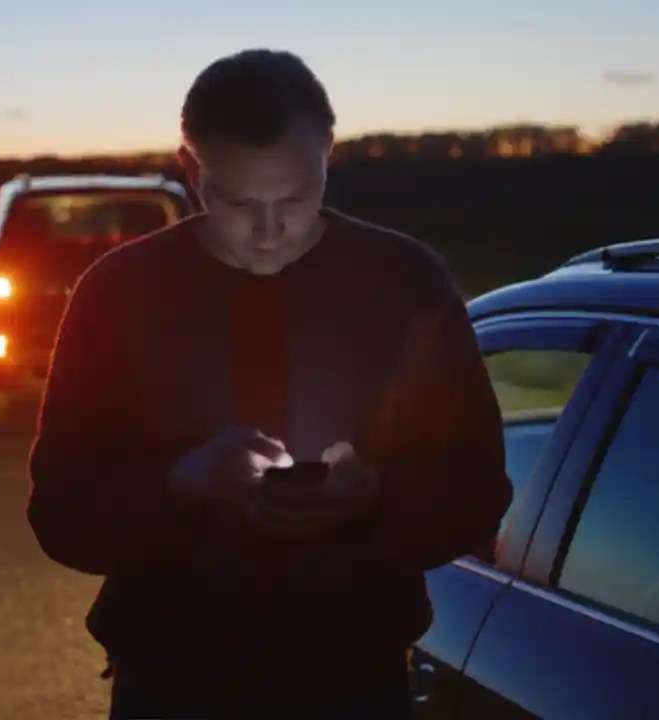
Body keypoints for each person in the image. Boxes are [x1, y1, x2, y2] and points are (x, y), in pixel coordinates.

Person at [27, 48, 511, 719]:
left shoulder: (405, 284)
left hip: (355, 683)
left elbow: (478, 495)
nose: (268, 230)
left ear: (328, 156)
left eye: (296, 196)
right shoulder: (119, 292)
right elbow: (61, 513)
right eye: (237, 200)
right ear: (191, 170)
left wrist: (372, 498)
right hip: (172, 686)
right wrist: (179, 485)